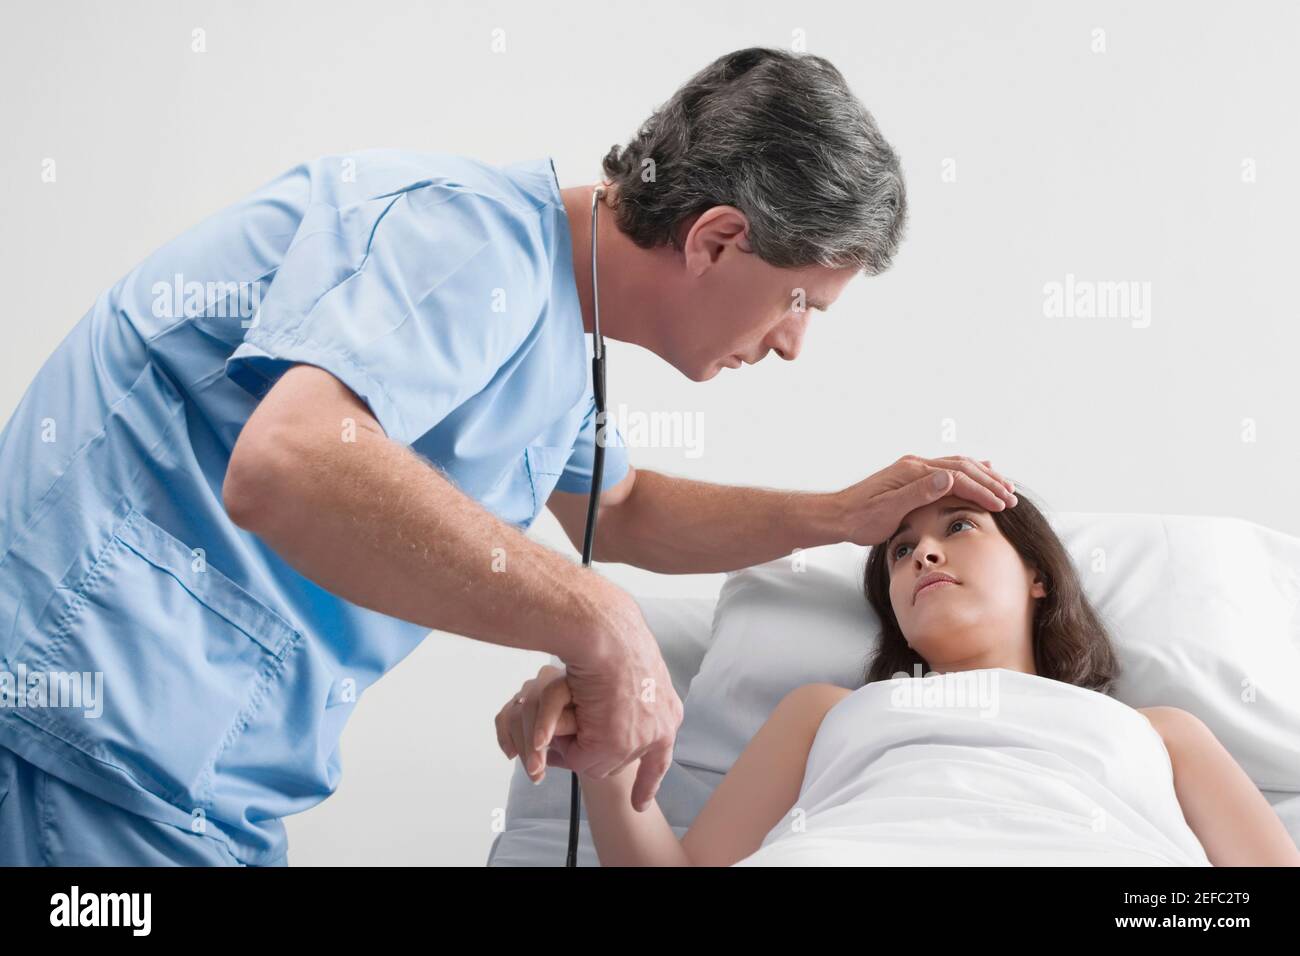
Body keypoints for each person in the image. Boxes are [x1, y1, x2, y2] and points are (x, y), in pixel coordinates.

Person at [0, 46, 1016, 865]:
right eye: (802, 302)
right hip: (87, 737)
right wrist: (599, 621)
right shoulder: (469, 239)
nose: (792, 343)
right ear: (714, 240)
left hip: (192, 783)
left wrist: (838, 515)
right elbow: (291, 457)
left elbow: (622, 513)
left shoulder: (549, 337)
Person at [498, 488, 1300, 866]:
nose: (922, 553)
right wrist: (602, 758)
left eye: (959, 528)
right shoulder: (827, 711)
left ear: (1038, 577)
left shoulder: (1161, 732)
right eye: (899, 551)